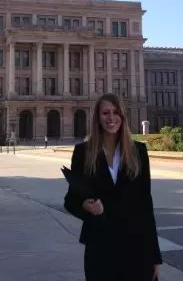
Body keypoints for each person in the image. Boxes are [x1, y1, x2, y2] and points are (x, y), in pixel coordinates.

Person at [64, 93, 162, 281]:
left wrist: (155, 256)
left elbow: (145, 205)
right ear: (97, 118)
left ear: (122, 117)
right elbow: (70, 200)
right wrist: (85, 206)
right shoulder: (83, 152)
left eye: (116, 113)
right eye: (105, 113)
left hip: (135, 246)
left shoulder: (138, 151)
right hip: (99, 247)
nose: (111, 118)